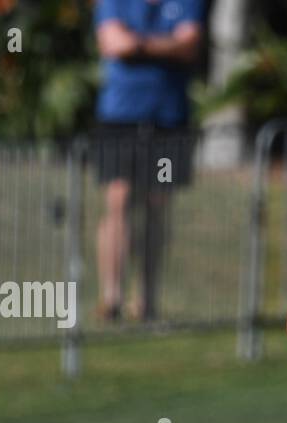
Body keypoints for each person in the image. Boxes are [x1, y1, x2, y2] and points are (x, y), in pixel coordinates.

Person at [92, 0, 205, 324]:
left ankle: (146, 301)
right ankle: (111, 299)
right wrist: (165, 44)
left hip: (169, 120)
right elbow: (113, 43)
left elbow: (189, 46)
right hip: (120, 117)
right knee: (118, 201)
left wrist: (138, 43)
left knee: (157, 205)